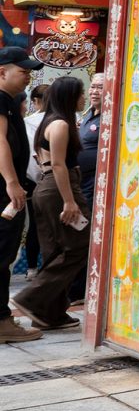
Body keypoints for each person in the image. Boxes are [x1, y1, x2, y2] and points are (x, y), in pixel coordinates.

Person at [12, 77, 86, 330]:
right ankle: (31, 298)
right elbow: (58, 164)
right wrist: (69, 201)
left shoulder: (48, 121)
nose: (84, 98)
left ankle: (49, 314)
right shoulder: (60, 124)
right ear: (69, 96)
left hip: (47, 188)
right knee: (79, 245)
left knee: (54, 250)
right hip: (59, 189)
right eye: (81, 93)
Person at [0, 48, 42, 342]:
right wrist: (12, 182)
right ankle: (2, 322)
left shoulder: (10, 101)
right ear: (2, 72)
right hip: (4, 193)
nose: (28, 77)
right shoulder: (1, 99)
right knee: (2, 256)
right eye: (23, 71)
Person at [68, 74, 106, 305]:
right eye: (92, 87)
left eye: (100, 87)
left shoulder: (109, 117)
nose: (94, 92)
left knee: (85, 235)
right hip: (80, 184)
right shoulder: (88, 115)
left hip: (95, 186)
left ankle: (80, 289)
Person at [10, 84, 46, 279]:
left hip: (29, 181)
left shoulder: (26, 122)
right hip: (37, 181)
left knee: (34, 224)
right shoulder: (26, 123)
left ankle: (32, 268)